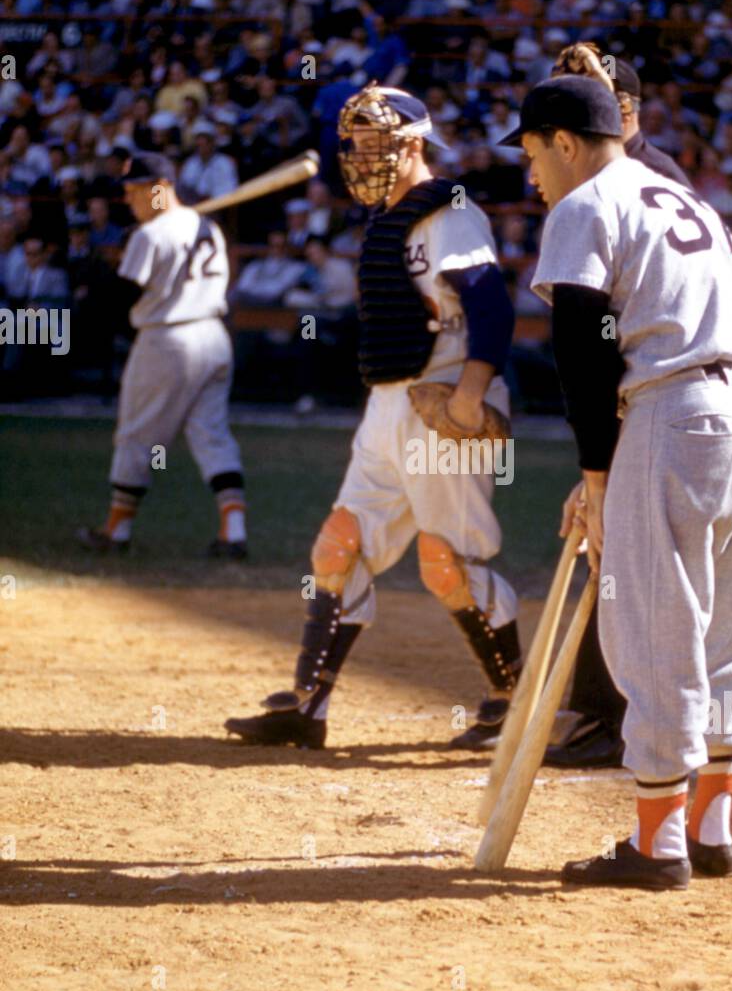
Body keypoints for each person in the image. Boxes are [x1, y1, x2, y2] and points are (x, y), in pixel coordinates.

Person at [503, 76, 732, 890]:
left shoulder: (585, 205)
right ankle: (711, 831)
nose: (531, 175)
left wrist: (596, 472)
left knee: (657, 625)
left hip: (676, 414)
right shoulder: (682, 198)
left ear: (564, 141)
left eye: (531, 154)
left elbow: (583, 349)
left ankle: (657, 847)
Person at [226, 85, 520, 753]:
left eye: (372, 137)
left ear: (411, 143)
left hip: (444, 409)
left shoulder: (449, 210)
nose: (358, 151)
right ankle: (308, 708)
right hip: (387, 406)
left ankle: (515, 698)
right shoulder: (387, 217)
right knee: (339, 544)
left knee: (447, 562)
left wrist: (470, 394)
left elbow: (492, 309)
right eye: (352, 138)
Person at [544, 47, 693, 771]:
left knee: (627, 562)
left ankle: (618, 716)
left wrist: (597, 468)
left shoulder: (644, 173)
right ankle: (612, 710)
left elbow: (585, 335)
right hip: (673, 394)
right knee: (626, 559)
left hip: (662, 396)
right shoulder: (624, 178)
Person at [77, 154, 248, 559]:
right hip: (213, 336)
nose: (130, 199)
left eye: (136, 191)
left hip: (166, 341)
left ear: (160, 188)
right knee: (211, 434)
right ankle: (234, 528)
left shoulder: (150, 235)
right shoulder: (208, 228)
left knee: (137, 434)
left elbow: (122, 297)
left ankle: (116, 530)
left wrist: (113, 266)